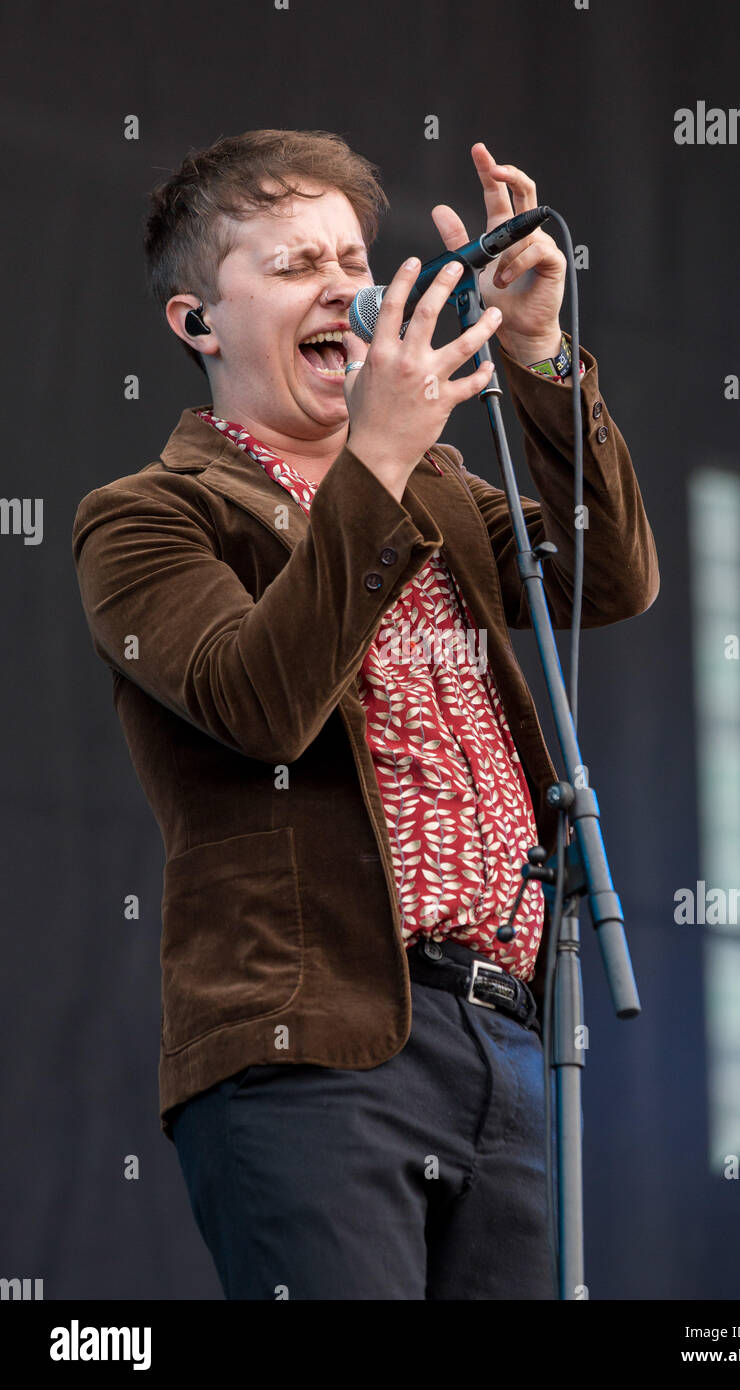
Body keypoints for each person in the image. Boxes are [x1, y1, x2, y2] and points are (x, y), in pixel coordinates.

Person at [72, 128, 659, 1300]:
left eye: (351, 257)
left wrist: (540, 354)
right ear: (197, 322)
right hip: (312, 1043)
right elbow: (260, 701)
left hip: (511, 1036)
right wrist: (375, 461)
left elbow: (608, 579)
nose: (344, 284)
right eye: (293, 265)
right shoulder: (147, 517)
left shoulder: (441, 489)